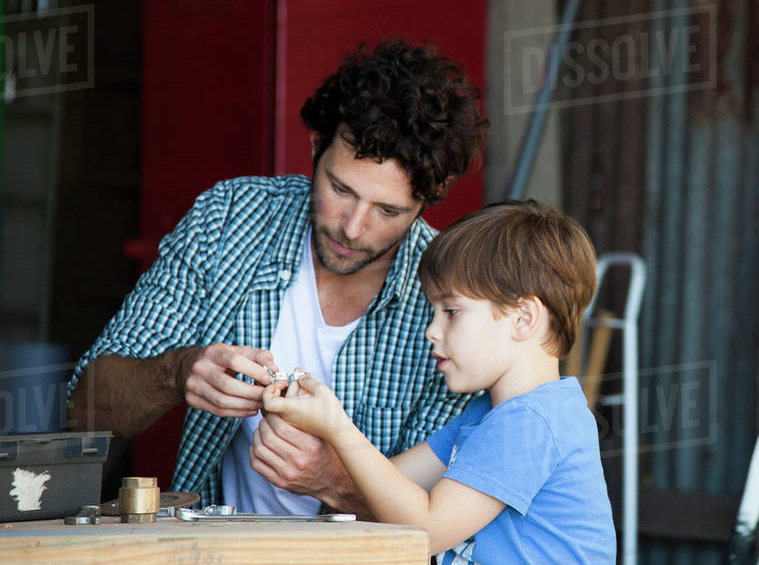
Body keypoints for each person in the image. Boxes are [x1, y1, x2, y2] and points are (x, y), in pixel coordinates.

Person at [66, 39, 489, 515]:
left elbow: (448, 523)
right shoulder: (226, 220)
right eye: (339, 188)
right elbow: (84, 411)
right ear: (314, 147)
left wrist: (332, 480)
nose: (352, 227)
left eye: (388, 210)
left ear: (430, 199)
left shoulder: (454, 299)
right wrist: (178, 372)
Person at [262, 200, 616, 564]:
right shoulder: (488, 415)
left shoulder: (532, 421)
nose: (432, 331)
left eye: (451, 311)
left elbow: (424, 530)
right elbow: (386, 491)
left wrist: (337, 427)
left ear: (523, 318)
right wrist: (317, 424)